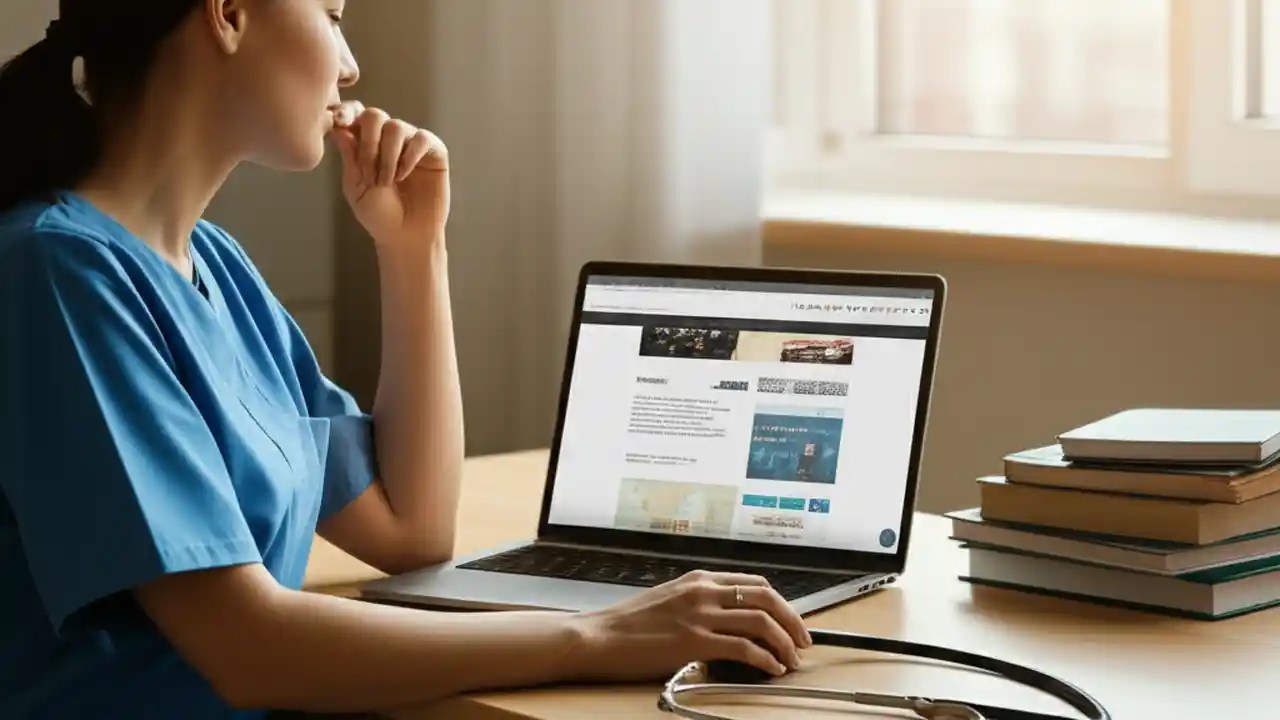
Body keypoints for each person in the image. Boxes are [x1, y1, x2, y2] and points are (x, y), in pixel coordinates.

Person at [0, 1, 811, 718]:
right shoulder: (59, 271)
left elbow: (411, 529)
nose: (350, 65)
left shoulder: (217, 269)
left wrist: (415, 248)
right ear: (230, 12)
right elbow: (248, 648)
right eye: (334, 16)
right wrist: (597, 633)